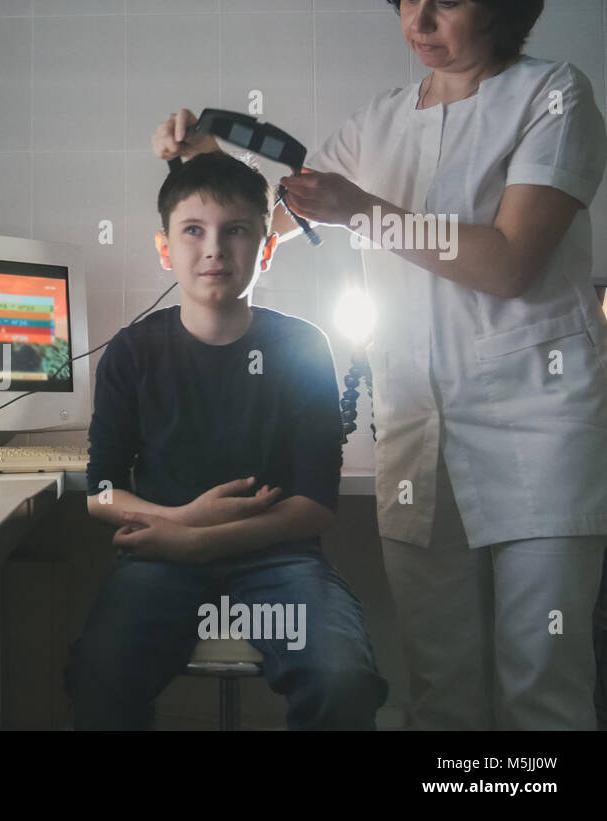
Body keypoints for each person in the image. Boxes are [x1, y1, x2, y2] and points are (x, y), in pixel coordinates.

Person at [152, 0, 607, 729]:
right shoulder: (379, 123)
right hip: (415, 429)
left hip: (538, 427)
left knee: (542, 687)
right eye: (407, 2)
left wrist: (362, 209)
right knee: (439, 685)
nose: (419, 23)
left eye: (447, 3)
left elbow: (512, 261)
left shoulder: (553, 95)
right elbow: (265, 226)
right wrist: (208, 165)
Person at [64, 151, 389, 730]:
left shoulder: (303, 348)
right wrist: (184, 523)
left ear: (265, 249)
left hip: (279, 558)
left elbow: (313, 508)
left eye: (236, 231)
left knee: (343, 679)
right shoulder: (132, 352)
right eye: (193, 230)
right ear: (165, 248)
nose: (214, 248)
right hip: (161, 556)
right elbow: (101, 491)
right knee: (100, 673)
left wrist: (198, 541)